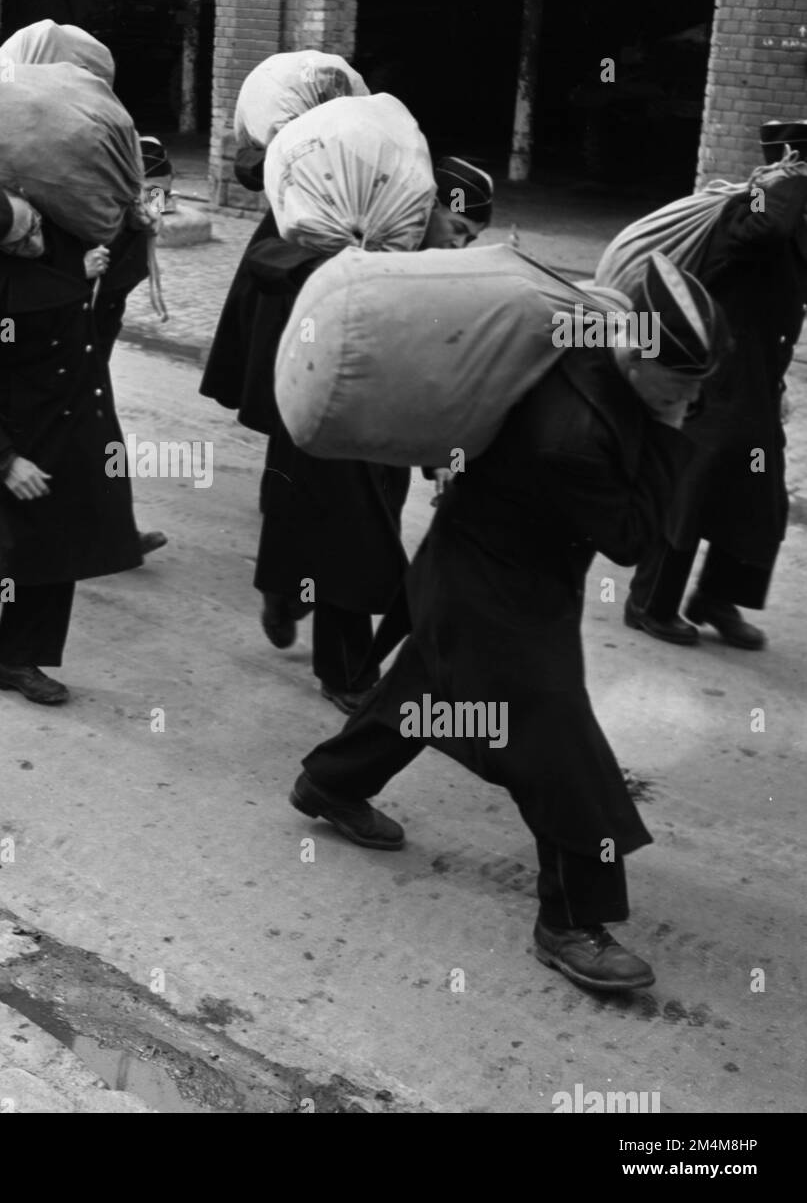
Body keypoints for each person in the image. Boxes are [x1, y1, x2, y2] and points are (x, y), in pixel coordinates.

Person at [289, 254, 727, 993]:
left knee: (425, 689)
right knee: (560, 751)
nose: (688, 398)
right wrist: (672, 429)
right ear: (637, 354)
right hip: (491, 596)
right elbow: (634, 539)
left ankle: (329, 784)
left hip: (483, 569)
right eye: (681, 385)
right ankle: (571, 921)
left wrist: (669, 406)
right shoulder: (571, 434)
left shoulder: (594, 343)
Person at [201, 153, 493, 713]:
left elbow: (432, 370)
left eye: (471, 239)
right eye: (457, 229)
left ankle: (285, 593)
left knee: (341, 528)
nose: (458, 247)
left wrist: (441, 455)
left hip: (386, 431)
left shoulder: (430, 270)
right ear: (428, 206)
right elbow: (267, 260)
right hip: (322, 406)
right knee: (353, 540)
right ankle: (346, 673)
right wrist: (344, 269)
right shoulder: (341, 234)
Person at [0, 179, 148, 705]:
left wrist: (137, 227)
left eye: (37, 231)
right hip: (16, 428)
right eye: (22, 244)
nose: (37, 245)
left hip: (77, 407)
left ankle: (17, 660)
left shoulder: (57, 231)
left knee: (61, 540)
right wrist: (2, 460)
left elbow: (104, 279)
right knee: (15, 540)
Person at [625, 119, 807, 650]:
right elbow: (765, 229)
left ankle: (716, 598)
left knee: (757, 492)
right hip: (717, 375)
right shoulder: (747, 208)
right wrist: (791, 180)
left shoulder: (789, 215)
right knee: (693, 484)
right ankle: (650, 604)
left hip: (757, 378)